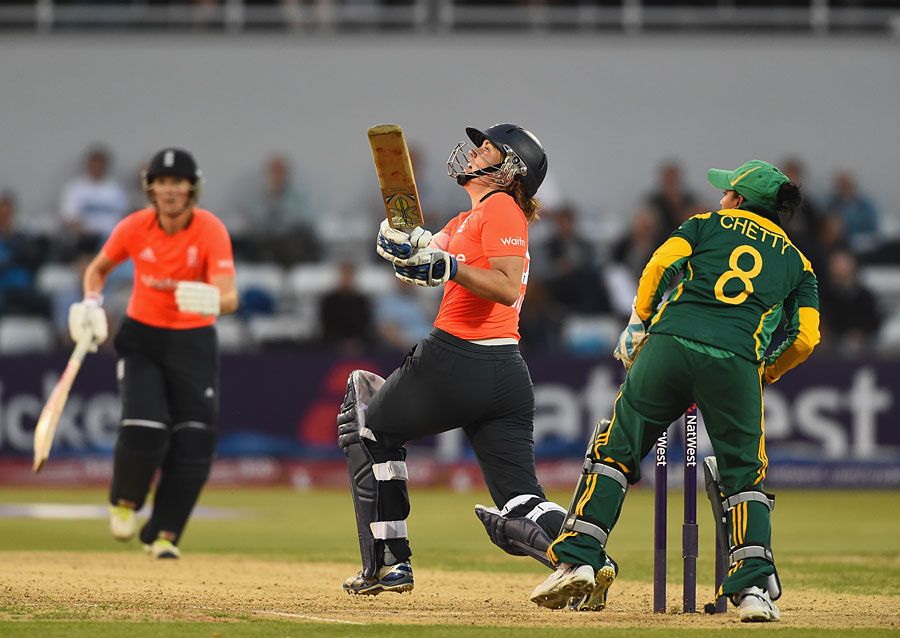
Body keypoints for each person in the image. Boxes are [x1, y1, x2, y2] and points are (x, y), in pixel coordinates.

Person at [530, 160, 820, 622]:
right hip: (736, 362)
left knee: (617, 448)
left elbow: (661, 264)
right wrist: (767, 369)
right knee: (744, 474)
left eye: (728, 192)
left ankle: (580, 557)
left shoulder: (704, 225)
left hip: (670, 346)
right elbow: (805, 338)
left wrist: (638, 322)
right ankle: (751, 593)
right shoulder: (799, 264)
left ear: (740, 201)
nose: (721, 197)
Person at [337, 123, 571, 599]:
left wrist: (446, 267)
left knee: (369, 425)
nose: (473, 152)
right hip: (505, 372)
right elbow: (429, 255)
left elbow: (504, 288)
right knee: (520, 498)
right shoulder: (469, 219)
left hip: (457, 359)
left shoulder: (501, 207)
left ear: (511, 170)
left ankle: (389, 564)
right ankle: (584, 560)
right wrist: (401, 246)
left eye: (487, 148)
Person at [69, 148, 237, 559]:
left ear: (191, 188)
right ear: (151, 188)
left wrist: (213, 299)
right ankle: (125, 500)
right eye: (162, 182)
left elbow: (230, 296)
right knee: (145, 425)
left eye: (177, 182)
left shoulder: (210, 229)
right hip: (142, 337)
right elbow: (97, 269)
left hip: (193, 341)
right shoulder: (134, 227)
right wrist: (92, 300)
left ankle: (164, 534)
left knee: (196, 439)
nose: (169, 190)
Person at [59, 145, 129, 251]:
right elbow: (69, 217)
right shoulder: (76, 188)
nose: (97, 168)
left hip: (110, 239)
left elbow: (124, 217)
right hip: (85, 239)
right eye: (94, 164)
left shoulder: (116, 190)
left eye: (100, 165)